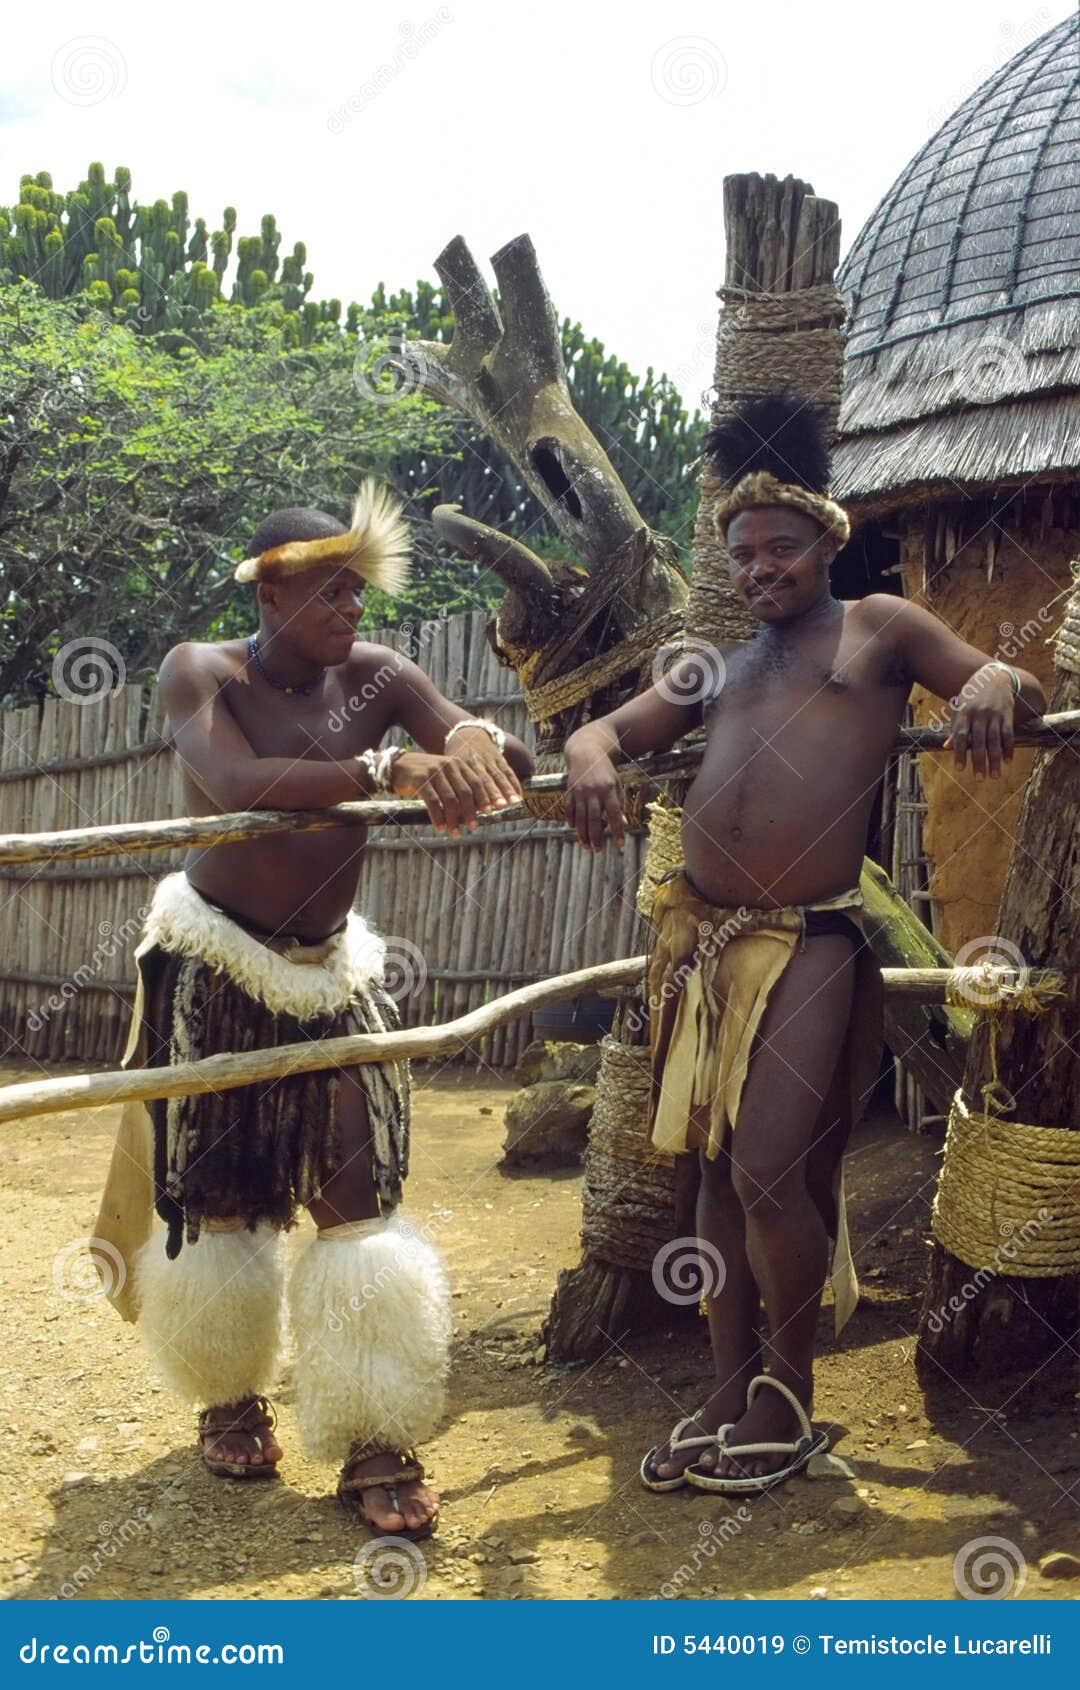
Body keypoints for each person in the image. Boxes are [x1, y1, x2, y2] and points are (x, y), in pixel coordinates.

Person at [562, 394, 1045, 1497]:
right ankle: (732, 1390)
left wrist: (982, 682)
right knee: (712, 1183)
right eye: (743, 554)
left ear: (828, 538)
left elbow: (1012, 682)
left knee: (774, 1165)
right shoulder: (715, 667)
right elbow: (609, 729)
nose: (760, 568)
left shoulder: (878, 624)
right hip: (706, 940)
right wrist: (591, 754)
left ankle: (790, 1392)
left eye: (781, 547)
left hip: (815, 941)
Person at [93, 481, 533, 1539]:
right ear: (273, 589)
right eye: (330, 590)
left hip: (331, 966)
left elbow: (490, 754)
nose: (351, 610)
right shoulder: (203, 671)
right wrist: (385, 764)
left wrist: (474, 738)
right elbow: (238, 776)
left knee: (356, 1188)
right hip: (213, 955)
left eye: (359, 591)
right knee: (221, 1187)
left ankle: (375, 1430)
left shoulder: (381, 675)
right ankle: (228, 1390)